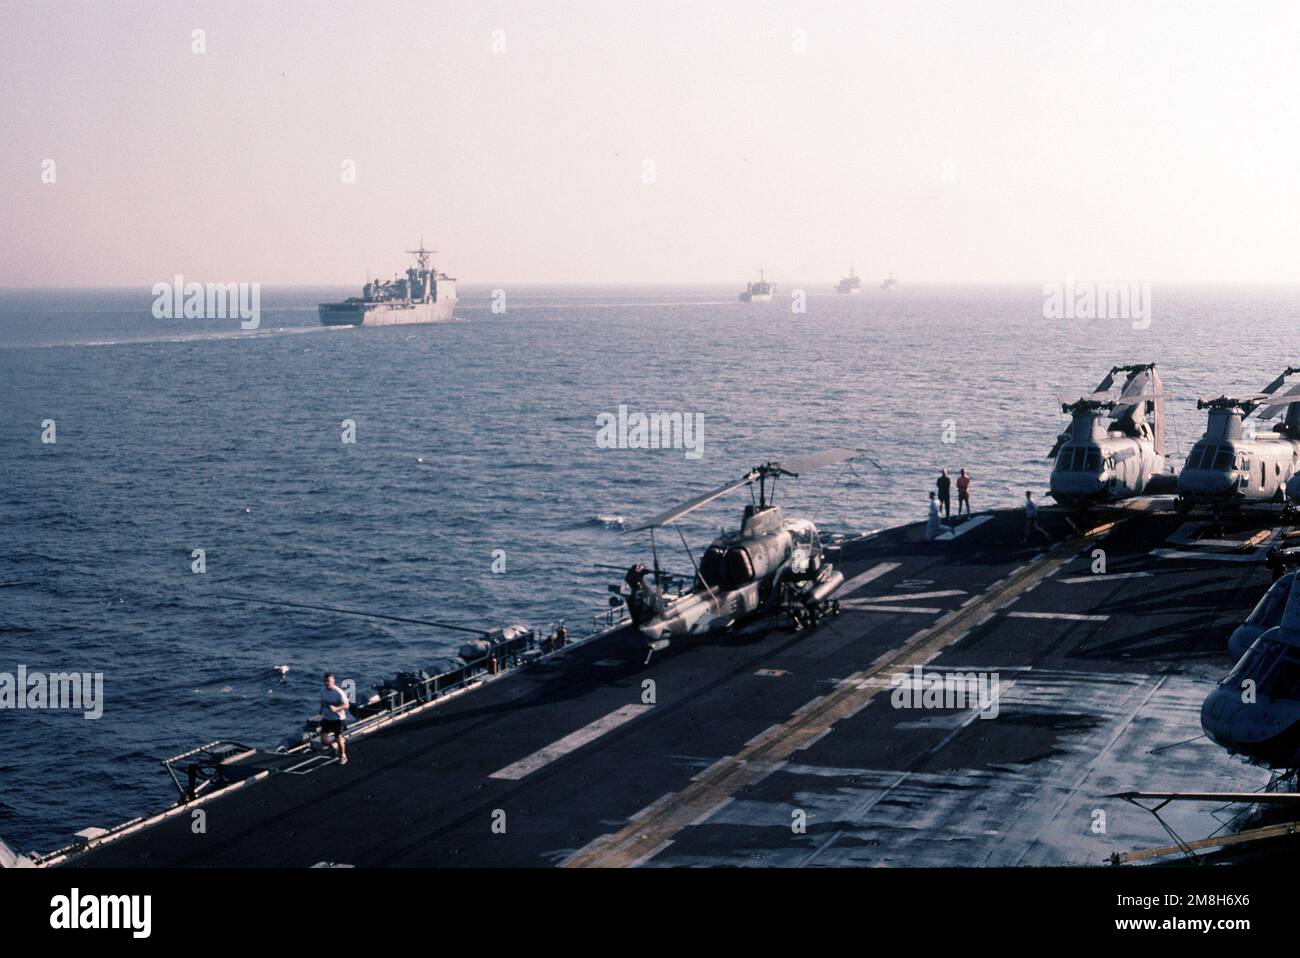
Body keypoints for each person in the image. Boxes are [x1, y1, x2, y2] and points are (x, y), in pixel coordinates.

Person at [320, 673, 350, 766]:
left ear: (333, 681)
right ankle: (333, 745)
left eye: (328, 681)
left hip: (338, 719)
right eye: (325, 681)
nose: (326, 683)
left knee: (339, 738)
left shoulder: (339, 692)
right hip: (327, 718)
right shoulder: (322, 690)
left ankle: (343, 756)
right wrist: (320, 710)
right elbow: (323, 701)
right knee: (324, 740)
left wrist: (336, 709)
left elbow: (347, 705)